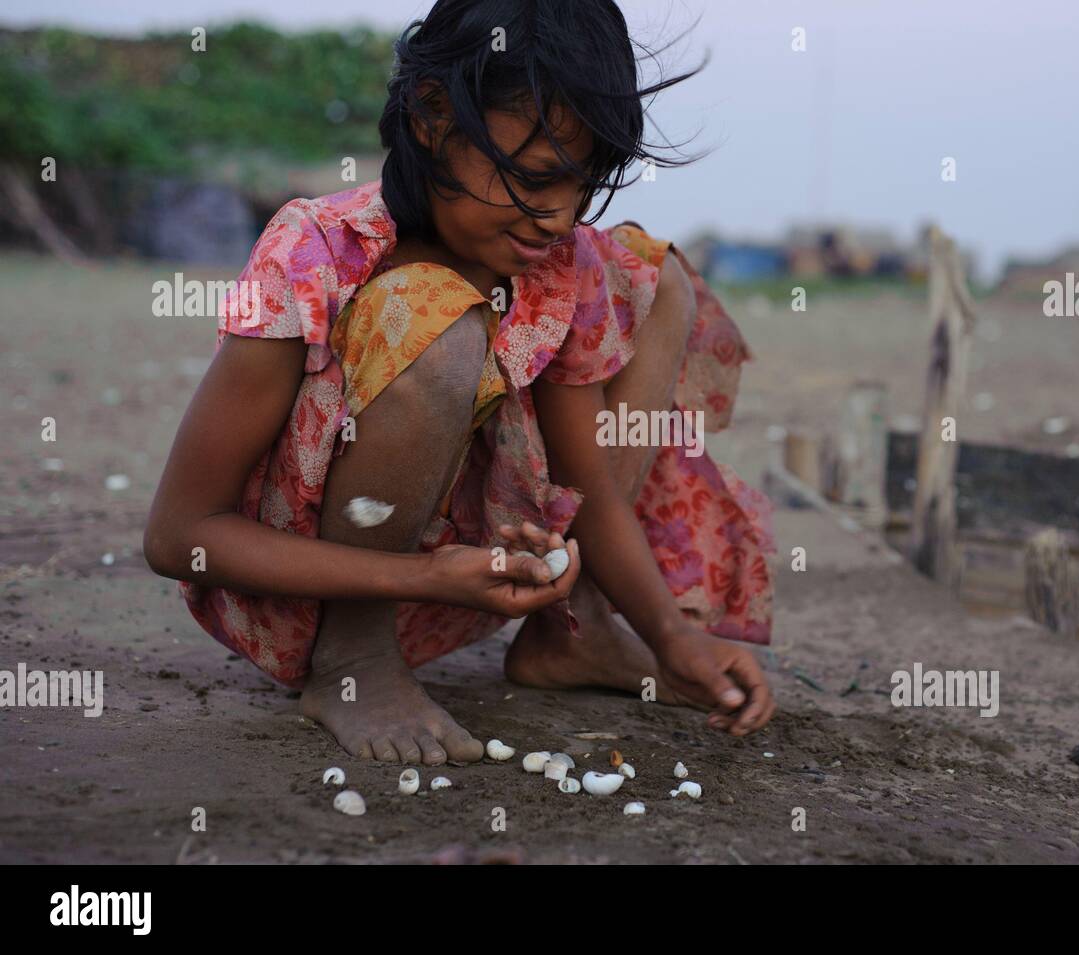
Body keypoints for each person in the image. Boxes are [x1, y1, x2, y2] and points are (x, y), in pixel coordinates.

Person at [144, 0, 776, 765]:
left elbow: (591, 487)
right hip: (309, 587)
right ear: (432, 115)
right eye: (535, 179)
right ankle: (355, 659)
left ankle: (573, 632)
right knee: (434, 317)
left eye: (581, 185)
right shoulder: (314, 255)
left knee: (653, 271)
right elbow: (181, 535)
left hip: (467, 583)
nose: (558, 215)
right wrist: (420, 574)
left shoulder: (552, 265)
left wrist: (673, 636)